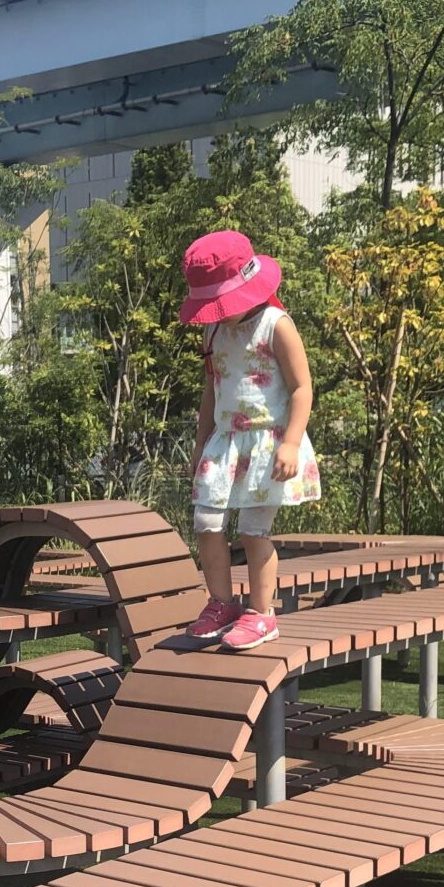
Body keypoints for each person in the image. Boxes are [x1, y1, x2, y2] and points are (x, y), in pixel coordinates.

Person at [180, 230, 320, 650]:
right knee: (205, 522)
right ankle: (221, 602)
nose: (215, 313)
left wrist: (292, 442)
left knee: (254, 531)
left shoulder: (276, 325)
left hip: (266, 443)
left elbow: (301, 388)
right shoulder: (212, 335)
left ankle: (262, 613)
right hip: (224, 444)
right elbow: (212, 392)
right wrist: (200, 443)